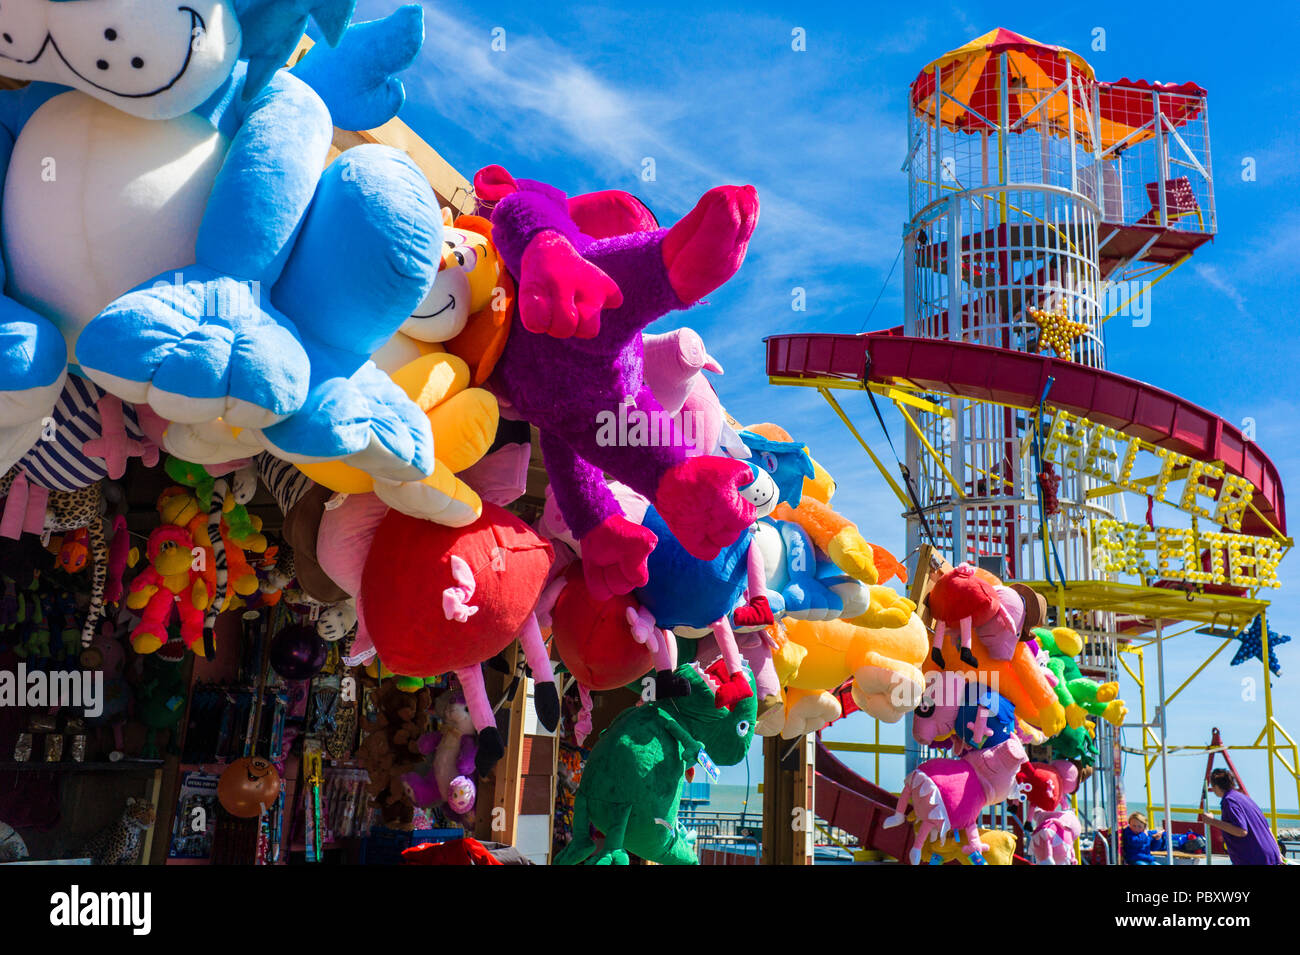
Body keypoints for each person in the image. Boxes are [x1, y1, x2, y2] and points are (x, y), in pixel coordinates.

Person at [1198, 768, 1284, 865]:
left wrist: (1212, 821)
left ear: (1217, 786)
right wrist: (1277, 852)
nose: (1212, 790)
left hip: (1255, 858)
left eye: (1213, 786)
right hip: (1270, 856)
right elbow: (1266, 828)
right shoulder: (1244, 798)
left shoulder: (1229, 801)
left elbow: (1241, 831)